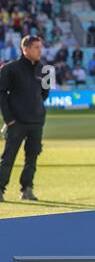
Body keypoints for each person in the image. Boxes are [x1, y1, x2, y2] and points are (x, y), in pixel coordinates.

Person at [0, 35, 49, 202]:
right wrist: (9, 119)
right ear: (25, 49)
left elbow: (45, 95)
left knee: (32, 158)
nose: (39, 50)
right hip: (16, 122)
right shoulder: (9, 69)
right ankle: (0, 189)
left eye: (40, 47)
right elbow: (1, 94)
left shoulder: (45, 70)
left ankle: (27, 189)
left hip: (36, 122)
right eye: (36, 47)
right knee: (8, 158)